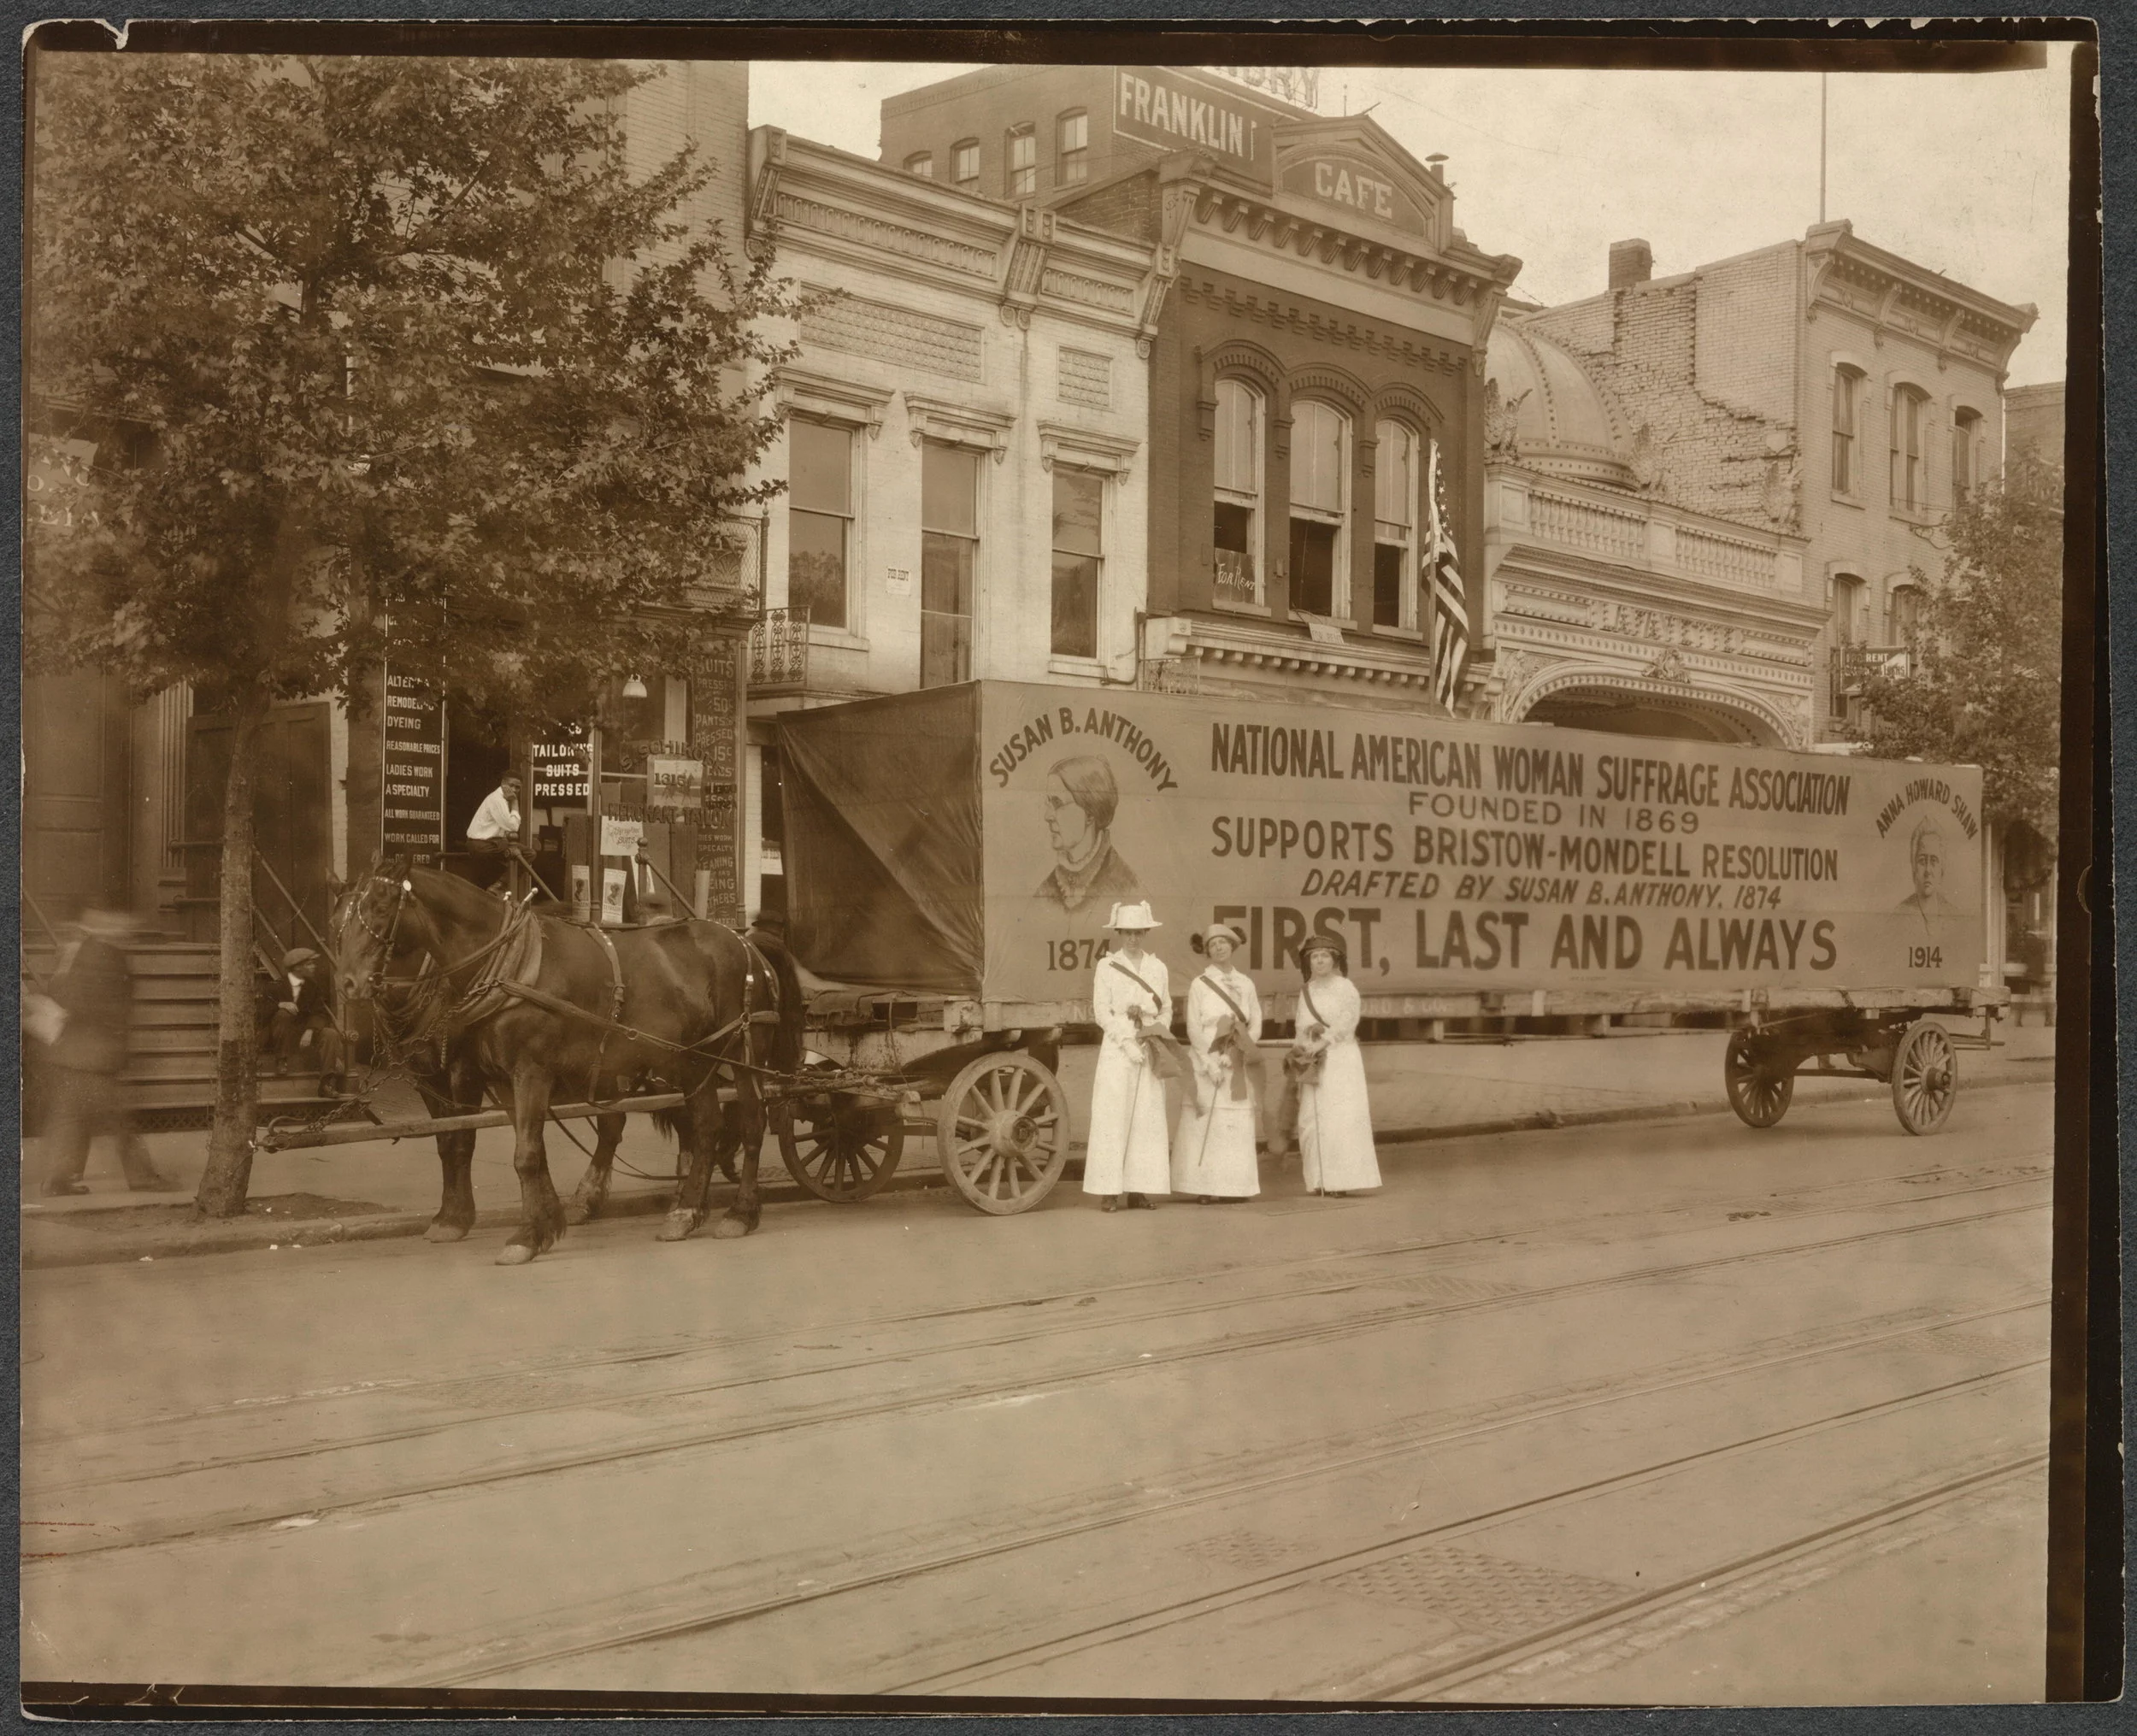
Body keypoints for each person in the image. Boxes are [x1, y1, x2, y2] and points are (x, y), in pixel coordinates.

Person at [37, 904, 175, 1196]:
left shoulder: (80, 952)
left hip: (71, 1051)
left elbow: (64, 994)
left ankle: (57, 1180)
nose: (128, 931)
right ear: (106, 923)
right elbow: (103, 1005)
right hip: (95, 1053)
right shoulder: (106, 955)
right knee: (119, 1119)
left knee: (70, 1117)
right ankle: (143, 1178)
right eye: (123, 924)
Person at [1083, 901, 1173, 1212]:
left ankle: (1140, 1189)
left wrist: (1155, 1034)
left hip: (1149, 1046)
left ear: (1146, 932)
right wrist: (1127, 1041)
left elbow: (1166, 1007)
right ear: (1119, 933)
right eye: (1128, 932)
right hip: (1118, 1048)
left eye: (1139, 932)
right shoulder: (1107, 967)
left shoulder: (1157, 967)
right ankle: (1109, 1191)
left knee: (1146, 1119)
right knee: (1113, 1117)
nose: (1133, 938)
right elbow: (1101, 1011)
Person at [1172, 922, 1263, 1203]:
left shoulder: (1245, 983)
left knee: (1233, 1119)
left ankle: (1235, 1187)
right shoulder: (1199, 984)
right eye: (1213, 945)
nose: (1219, 948)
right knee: (1206, 1120)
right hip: (1207, 1056)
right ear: (1207, 951)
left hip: (1236, 1055)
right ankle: (1205, 1186)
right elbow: (1193, 1027)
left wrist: (1240, 1048)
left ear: (1233, 947)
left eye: (1224, 942)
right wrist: (1209, 1060)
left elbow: (1256, 1021)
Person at [1288, 936, 1381, 1198]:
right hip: (1314, 1062)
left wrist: (1324, 1042)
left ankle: (1341, 1180)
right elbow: (1300, 1025)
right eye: (1314, 957)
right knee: (1312, 1117)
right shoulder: (1306, 991)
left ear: (1334, 960)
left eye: (1325, 956)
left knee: (1340, 1116)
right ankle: (1318, 1179)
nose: (1319, 961)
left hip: (1340, 1059)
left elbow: (1347, 1022)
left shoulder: (1345, 988)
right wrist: (1303, 1048)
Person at [1036, 756, 1141, 915]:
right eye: (1048, 803)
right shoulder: (1044, 893)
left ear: (1090, 813)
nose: (1048, 815)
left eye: (1058, 803)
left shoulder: (1127, 888)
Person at [268, 946, 345, 1092]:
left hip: (304, 1032)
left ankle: (326, 1083)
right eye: (309, 964)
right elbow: (262, 1009)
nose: (314, 966)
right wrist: (280, 1004)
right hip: (282, 1036)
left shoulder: (313, 986)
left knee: (331, 1034)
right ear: (298, 967)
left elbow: (320, 1012)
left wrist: (310, 1030)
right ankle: (281, 1061)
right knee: (284, 1014)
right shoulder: (277, 985)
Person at [1897, 816, 1959, 932]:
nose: (1927, 871)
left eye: (1934, 861)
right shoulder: (1898, 920)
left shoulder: (1955, 918)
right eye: (1922, 861)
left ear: (1942, 868)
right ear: (1914, 867)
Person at [465, 772, 523, 891]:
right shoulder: (497, 799)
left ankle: (497, 888)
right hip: (482, 845)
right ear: (503, 783)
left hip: (489, 844)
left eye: (518, 787)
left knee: (511, 856)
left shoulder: (503, 799)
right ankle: (499, 887)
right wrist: (515, 803)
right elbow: (513, 827)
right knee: (528, 854)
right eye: (511, 785)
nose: (514, 789)